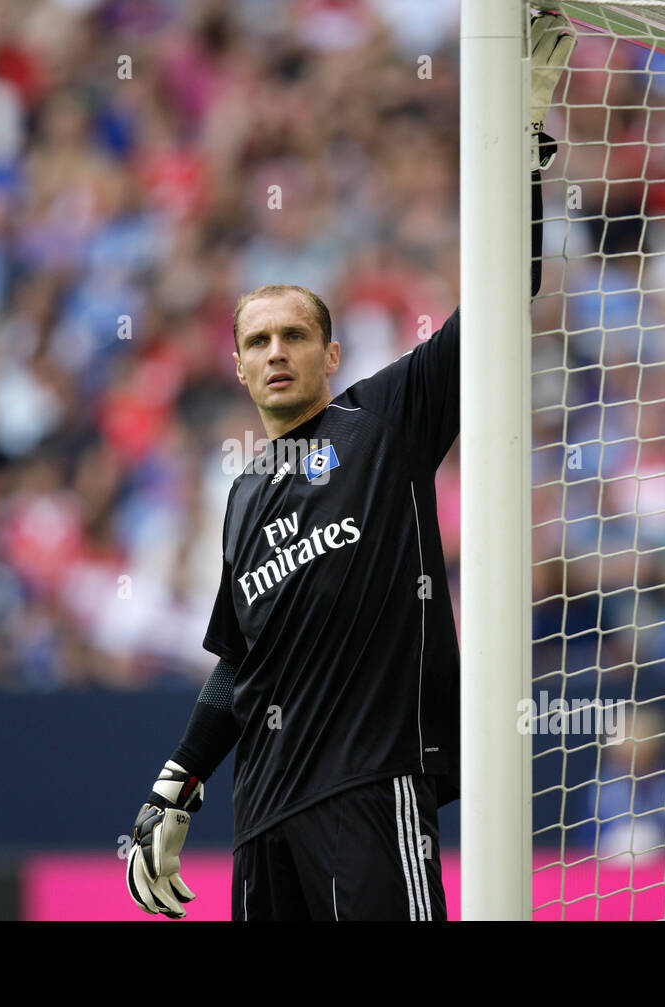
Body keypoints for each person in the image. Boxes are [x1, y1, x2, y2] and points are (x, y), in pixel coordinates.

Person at [126, 12, 575, 921]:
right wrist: (177, 782)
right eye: (259, 340)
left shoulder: (383, 419)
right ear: (241, 365)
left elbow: (496, 302)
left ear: (331, 356)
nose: (277, 350)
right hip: (263, 819)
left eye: (296, 334)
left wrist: (523, 152)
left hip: (373, 792)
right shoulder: (245, 496)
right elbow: (240, 665)